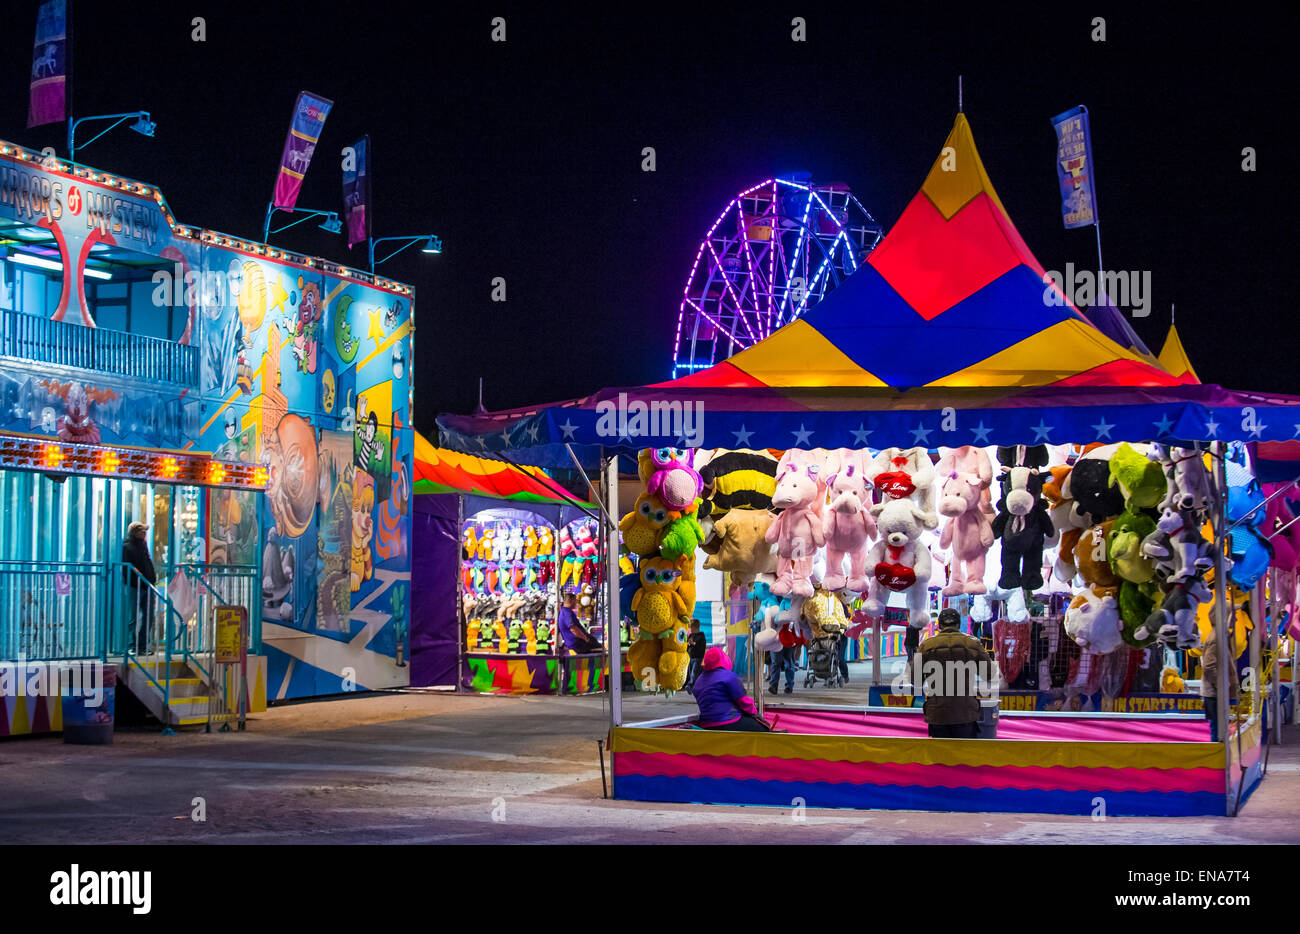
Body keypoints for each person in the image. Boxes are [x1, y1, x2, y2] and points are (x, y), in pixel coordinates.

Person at [918, 608, 992, 738]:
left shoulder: (926, 645)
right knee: (964, 756)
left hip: (937, 714)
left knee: (940, 756)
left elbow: (915, 679)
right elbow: (989, 674)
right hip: (966, 713)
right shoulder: (973, 643)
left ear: (939, 625)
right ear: (958, 624)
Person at [692, 647, 770, 731]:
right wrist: (756, 714)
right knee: (763, 729)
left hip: (706, 724)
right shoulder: (729, 676)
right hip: (728, 722)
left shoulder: (699, 680)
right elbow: (744, 701)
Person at [121, 522, 156, 655]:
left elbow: (148, 563)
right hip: (134, 586)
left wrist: (152, 579)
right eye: (141, 531)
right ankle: (132, 645)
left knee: (148, 617)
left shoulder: (143, 546)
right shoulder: (127, 546)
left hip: (147, 585)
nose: (144, 533)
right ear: (133, 532)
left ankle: (142, 645)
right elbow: (127, 568)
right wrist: (138, 580)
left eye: (144, 531)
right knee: (133, 617)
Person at [1200, 627, 1240, 743]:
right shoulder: (1217, 638)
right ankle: (1219, 759)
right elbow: (1209, 667)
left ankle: (1221, 758)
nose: (1235, 620)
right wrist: (1222, 686)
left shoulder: (1222, 636)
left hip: (1217, 693)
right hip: (1215, 694)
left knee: (1220, 731)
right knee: (1218, 733)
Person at [684, 621, 707, 689]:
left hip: (698, 658)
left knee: (694, 673)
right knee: (689, 673)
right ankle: (687, 684)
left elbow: (702, 648)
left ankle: (691, 686)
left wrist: (694, 643)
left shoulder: (701, 636)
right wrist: (688, 644)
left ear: (696, 627)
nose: (690, 629)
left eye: (691, 627)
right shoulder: (691, 635)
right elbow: (688, 646)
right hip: (690, 657)